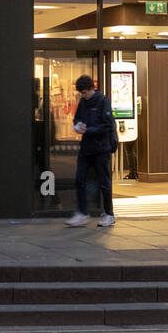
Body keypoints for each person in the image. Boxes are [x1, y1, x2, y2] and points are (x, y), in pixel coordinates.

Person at [66, 74, 117, 228]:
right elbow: (77, 118)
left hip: (101, 149)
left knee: (104, 182)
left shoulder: (102, 101)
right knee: (79, 179)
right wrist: (77, 125)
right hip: (86, 148)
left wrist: (87, 130)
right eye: (81, 93)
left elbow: (107, 126)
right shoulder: (83, 102)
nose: (83, 96)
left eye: (84, 93)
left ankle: (109, 214)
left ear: (91, 89)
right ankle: (82, 213)